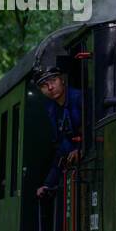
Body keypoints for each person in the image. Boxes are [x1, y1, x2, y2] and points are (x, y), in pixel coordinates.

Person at [34, 66, 84, 199]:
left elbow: (94, 127)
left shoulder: (80, 98)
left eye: (53, 80)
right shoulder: (53, 111)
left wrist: (81, 148)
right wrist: (48, 183)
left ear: (62, 80)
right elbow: (62, 148)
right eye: (44, 85)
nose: (50, 87)